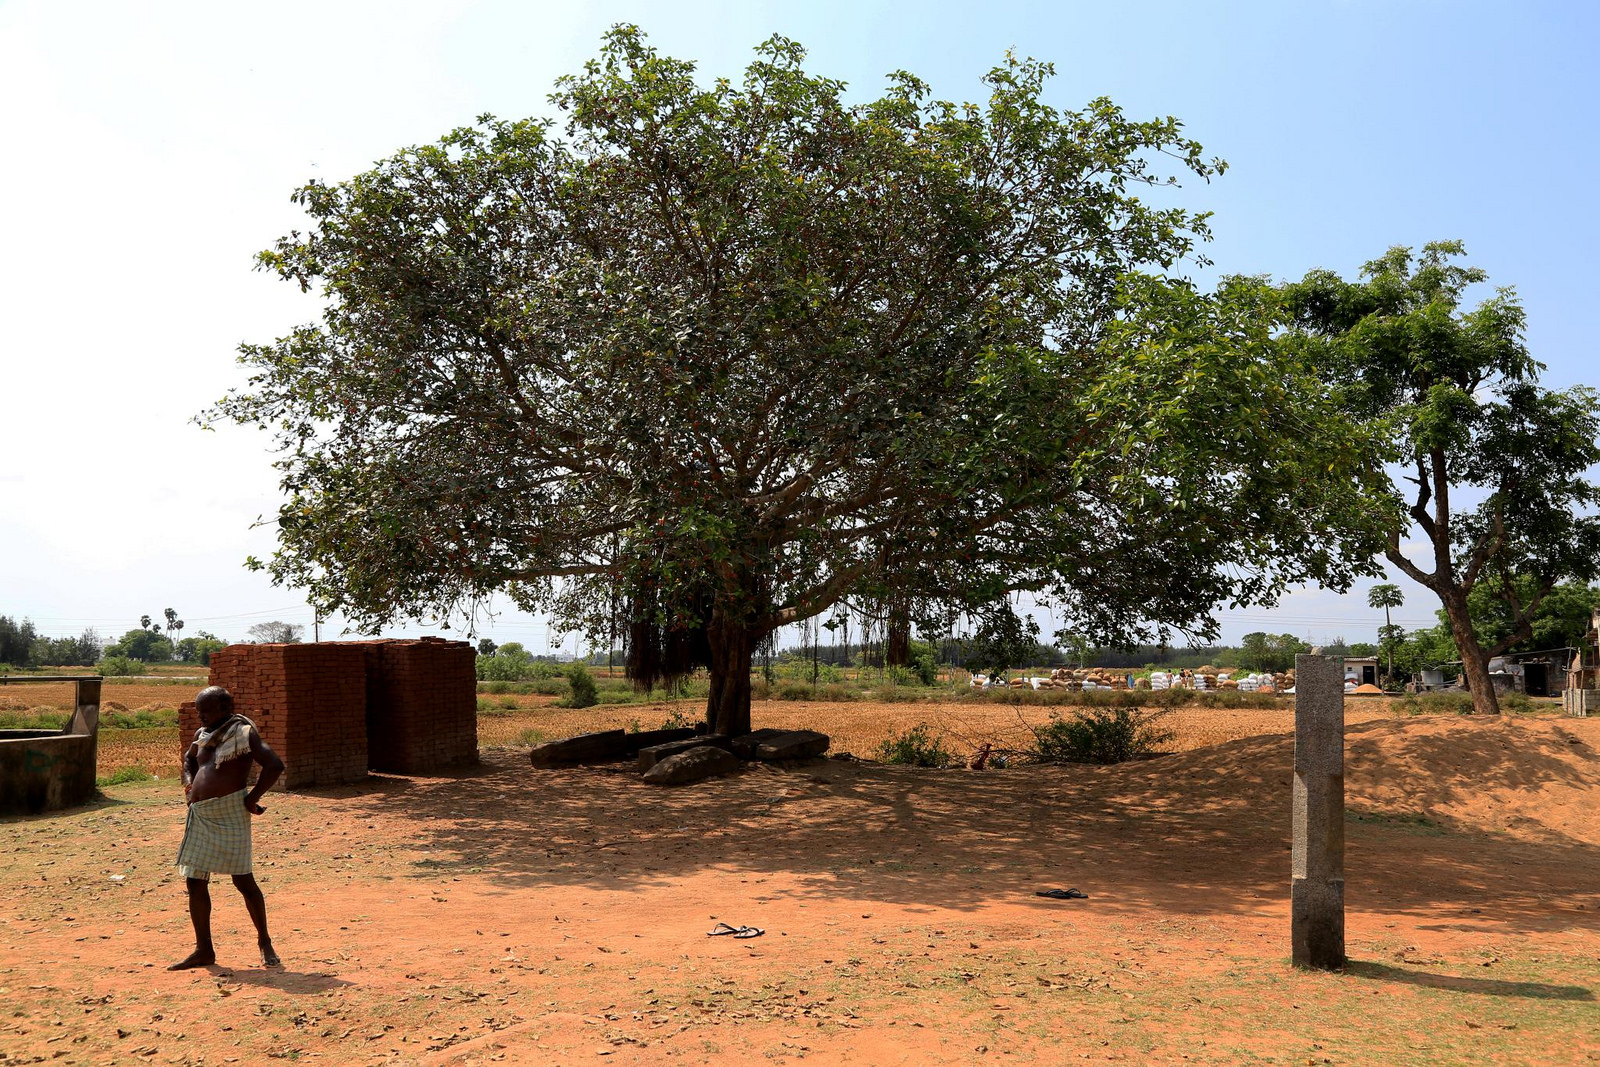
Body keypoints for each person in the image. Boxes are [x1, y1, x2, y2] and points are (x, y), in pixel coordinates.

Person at [170, 685, 285, 970]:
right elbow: (188, 759)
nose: (201, 716)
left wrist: (252, 798)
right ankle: (204, 950)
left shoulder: (243, 733)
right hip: (201, 814)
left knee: (243, 881)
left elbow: (274, 765)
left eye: (206, 710)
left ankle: (265, 942)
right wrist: (189, 783)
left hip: (230, 813)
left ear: (225, 708)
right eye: (198, 710)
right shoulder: (201, 735)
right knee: (194, 881)